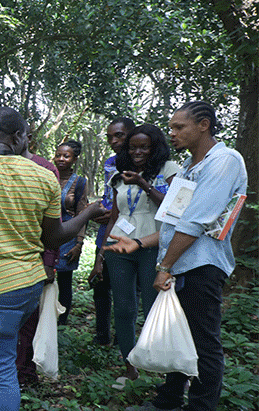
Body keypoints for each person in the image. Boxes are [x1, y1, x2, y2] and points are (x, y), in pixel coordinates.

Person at [0, 107, 105, 411]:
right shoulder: (44, 175)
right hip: (28, 287)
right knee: (5, 358)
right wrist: (88, 213)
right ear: (17, 136)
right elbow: (53, 237)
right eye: (27, 134)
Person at [107, 102, 247, 411]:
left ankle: (200, 406)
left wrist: (165, 265)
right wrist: (140, 243)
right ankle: (168, 400)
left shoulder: (224, 161)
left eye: (178, 127)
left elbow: (196, 222)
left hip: (202, 265)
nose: (172, 133)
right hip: (179, 263)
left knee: (203, 341)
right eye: (170, 127)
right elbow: (174, 220)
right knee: (177, 334)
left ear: (204, 125)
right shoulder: (188, 166)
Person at [92, 124, 180, 381]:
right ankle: (130, 364)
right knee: (123, 308)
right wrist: (101, 255)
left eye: (144, 147)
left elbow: (173, 208)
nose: (137, 152)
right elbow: (114, 217)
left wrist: (143, 183)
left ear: (155, 147)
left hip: (152, 244)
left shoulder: (168, 170)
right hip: (120, 246)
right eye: (132, 147)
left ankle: (159, 363)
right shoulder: (119, 176)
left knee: (153, 305)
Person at [15, 130, 60, 388]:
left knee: (30, 321)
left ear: (26, 137)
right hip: (3, 260)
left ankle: (26, 374)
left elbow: (52, 222)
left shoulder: (45, 169)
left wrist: (49, 261)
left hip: (34, 257)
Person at [87, 117, 133, 346]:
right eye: (110, 137)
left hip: (135, 234)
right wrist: (100, 213)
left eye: (119, 135)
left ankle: (126, 339)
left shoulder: (149, 163)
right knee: (100, 282)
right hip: (108, 229)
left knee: (127, 289)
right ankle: (102, 335)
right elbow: (109, 197)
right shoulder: (110, 162)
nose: (113, 141)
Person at [52, 140, 89, 325]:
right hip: (47, 234)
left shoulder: (80, 182)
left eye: (66, 156)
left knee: (64, 281)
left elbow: (82, 213)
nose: (61, 159)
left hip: (68, 236)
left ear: (74, 159)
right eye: (58, 155)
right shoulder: (47, 176)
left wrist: (79, 243)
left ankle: (62, 321)